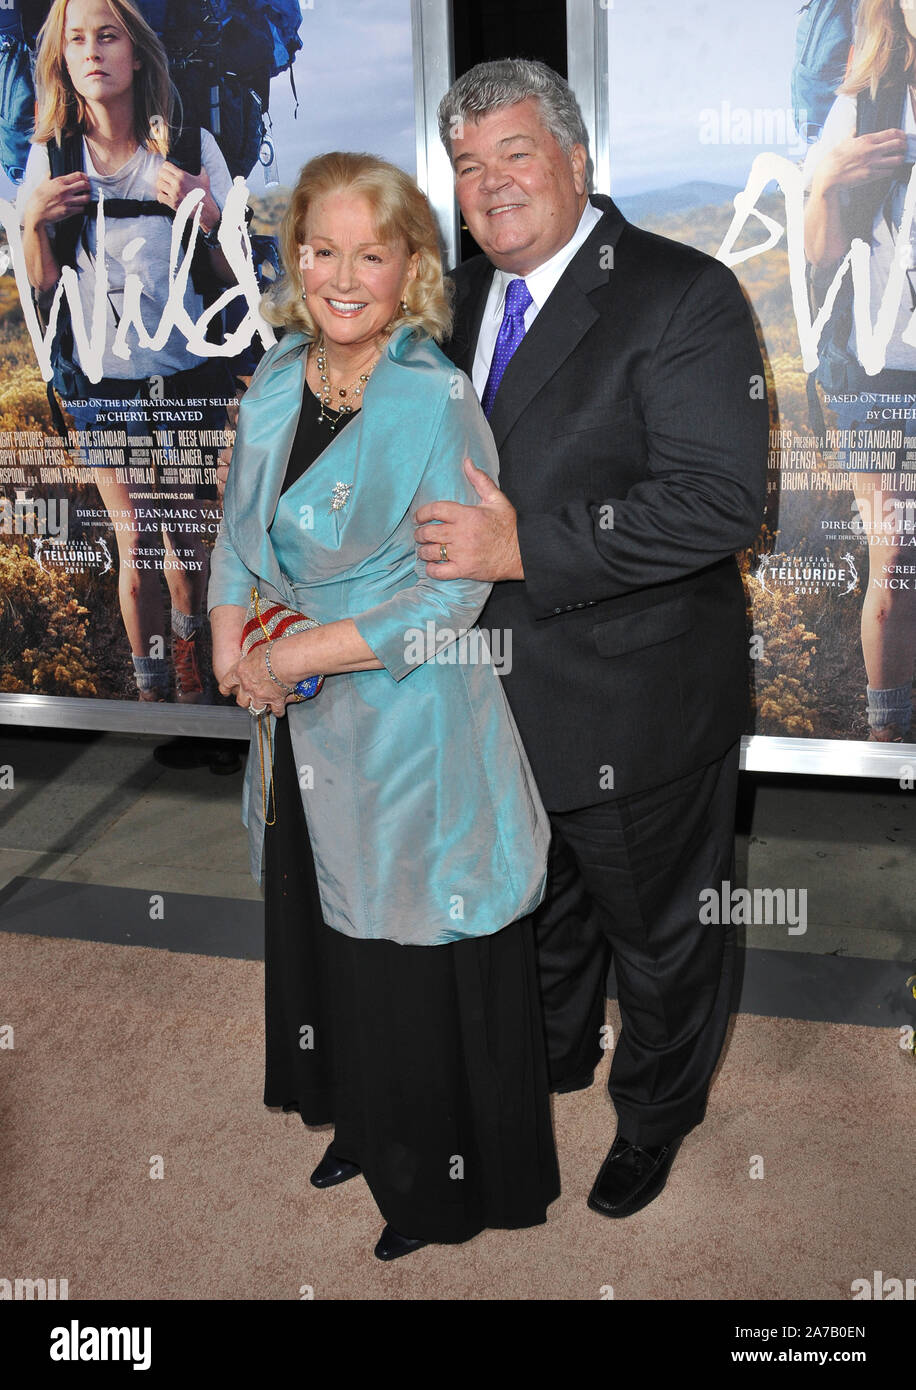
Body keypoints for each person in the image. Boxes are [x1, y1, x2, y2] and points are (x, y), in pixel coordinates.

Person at [415, 59, 769, 1219]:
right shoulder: (453, 303)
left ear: (576, 159)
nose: (492, 184)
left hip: (639, 698)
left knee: (662, 939)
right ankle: (554, 1059)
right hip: (488, 698)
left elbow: (722, 502)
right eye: (469, 167)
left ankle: (655, 1119)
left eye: (516, 155)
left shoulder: (683, 294)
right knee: (539, 909)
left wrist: (525, 549)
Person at [207, 151, 559, 1260]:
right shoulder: (276, 375)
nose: (341, 275)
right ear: (294, 257)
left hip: (408, 722)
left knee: (410, 949)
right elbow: (234, 532)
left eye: (371, 252)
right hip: (298, 712)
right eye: (320, 250)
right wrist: (232, 642)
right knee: (329, 936)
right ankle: (362, 1122)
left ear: (410, 265)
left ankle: (440, 1185)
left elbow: (455, 589)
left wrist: (298, 648)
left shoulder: (433, 396)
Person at [19, 0, 239, 702]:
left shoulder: (192, 148)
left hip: (184, 385)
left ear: (137, 52)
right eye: (77, 39)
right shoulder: (50, 156)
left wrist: (207, 219)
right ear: (62, 56)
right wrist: (32, 225)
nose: (92, 52)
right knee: (138, 547)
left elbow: (240, 285)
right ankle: (152, 695)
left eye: (108, 36)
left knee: (187, 548)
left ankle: (191, 679)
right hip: (106, 389)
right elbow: (43, 293)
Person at [804, 0, 916, 742]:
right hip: (882, 379)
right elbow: (818, 257)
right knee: (899, 562)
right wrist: (827, 183)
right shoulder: (869, 97)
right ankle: (889, 735)